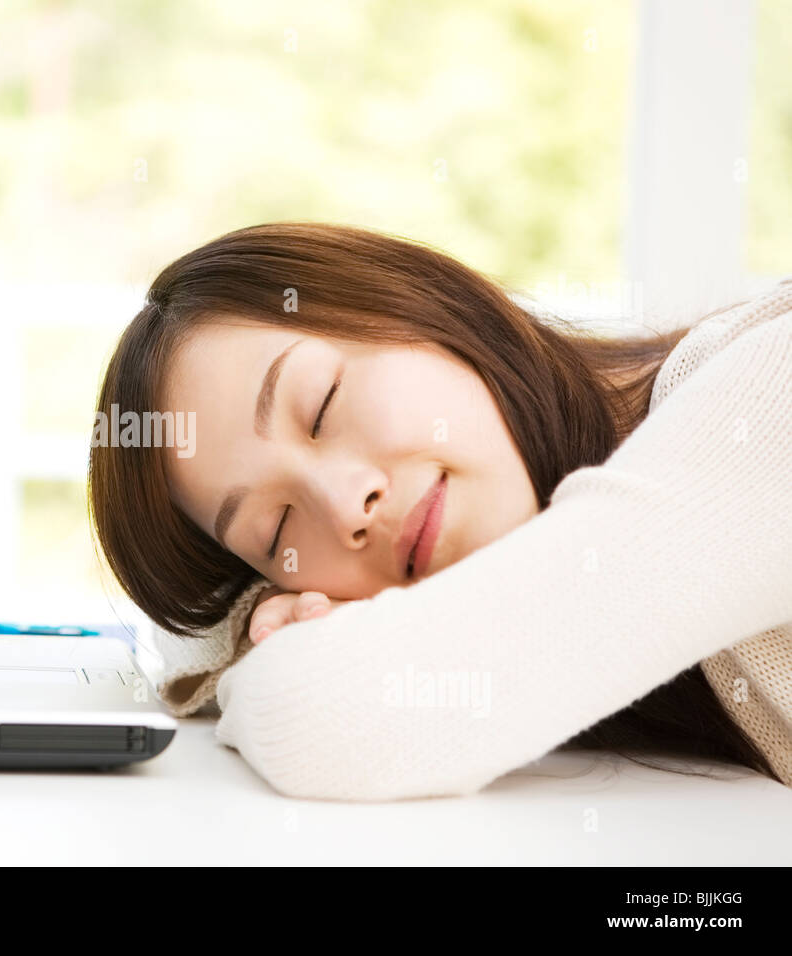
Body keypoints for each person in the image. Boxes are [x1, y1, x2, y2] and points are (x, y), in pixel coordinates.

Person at [87, 221, 792, 801]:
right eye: (276, 531)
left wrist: (277, 637)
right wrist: (260, 616)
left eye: (321, 405)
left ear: (414, 303)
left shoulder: (764, 398)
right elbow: (188, 632)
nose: (343, 507)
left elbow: (325, 716)